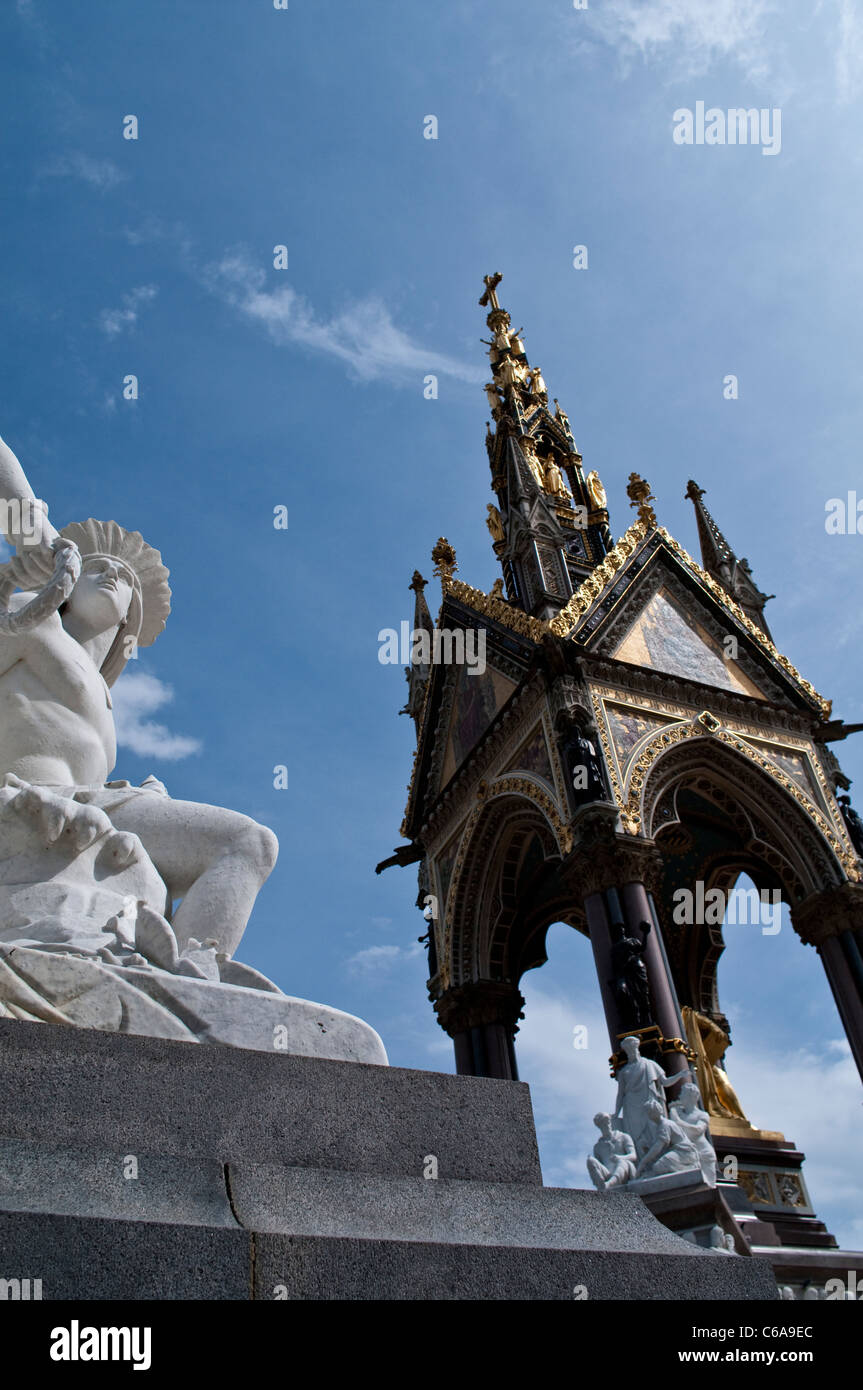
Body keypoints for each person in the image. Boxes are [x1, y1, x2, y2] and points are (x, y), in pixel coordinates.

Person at [0, 431, 277, 960]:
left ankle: (191, 977)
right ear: (71, 578)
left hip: (97, 802)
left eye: (123, 576)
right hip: (36, 796)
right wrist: (33, 540)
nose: (108, 573)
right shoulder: (29, 625)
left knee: (250, 844)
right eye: (96, 566)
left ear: (132, 614)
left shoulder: (102, 695)